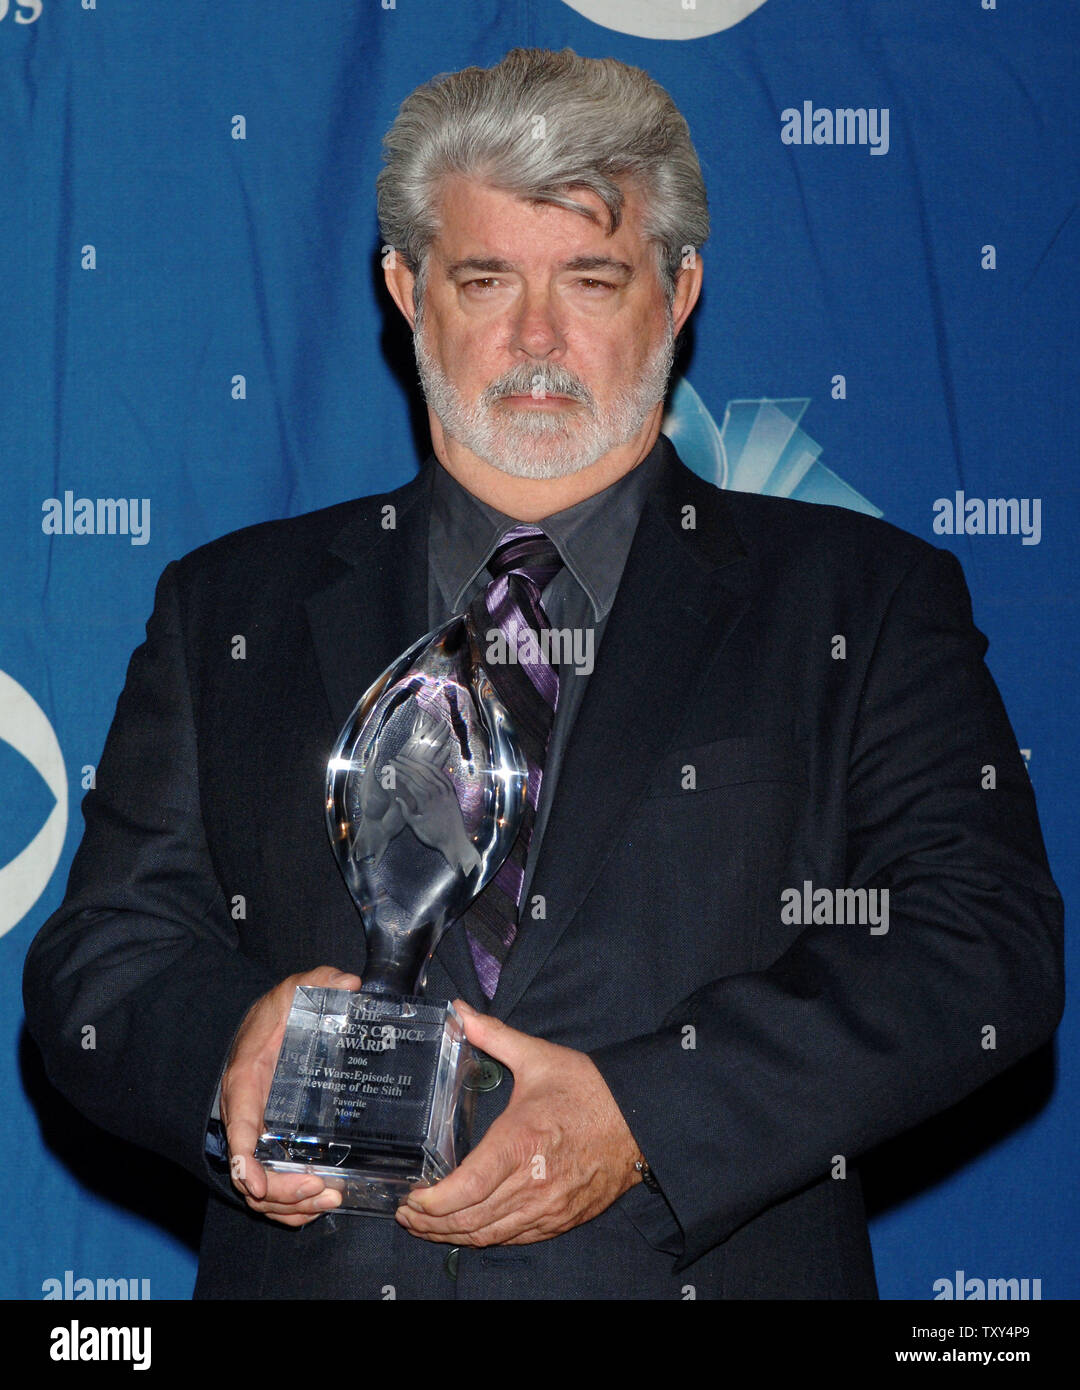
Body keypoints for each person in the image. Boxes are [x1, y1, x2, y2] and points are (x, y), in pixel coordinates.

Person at [23, 47, 1064, 1300]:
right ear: (407, 291)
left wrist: (643, 1116)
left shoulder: (860, 600)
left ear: (678, 293)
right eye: (483, 278)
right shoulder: (227, 607)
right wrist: (229, 1049)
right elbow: (104, 960)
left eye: (590, 277)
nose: (534, 339)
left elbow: (980, 945)